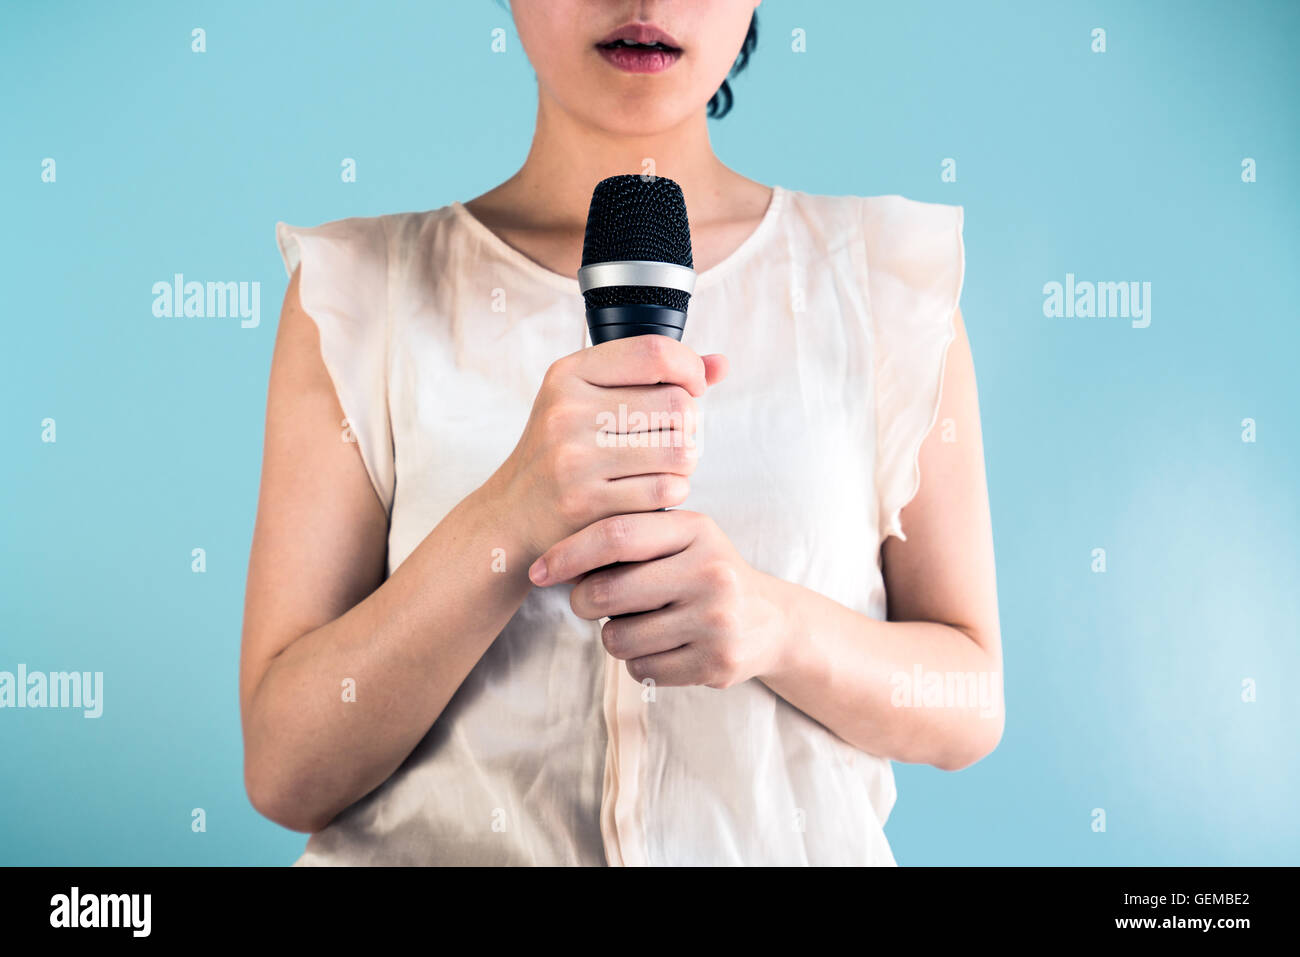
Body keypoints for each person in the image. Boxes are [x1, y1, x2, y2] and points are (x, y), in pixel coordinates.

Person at [239, 0, 1003, 866]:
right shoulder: (361, 294)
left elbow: (968, 697)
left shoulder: (878, 282)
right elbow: (283, 767)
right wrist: (507, 518)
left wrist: (774, 624)